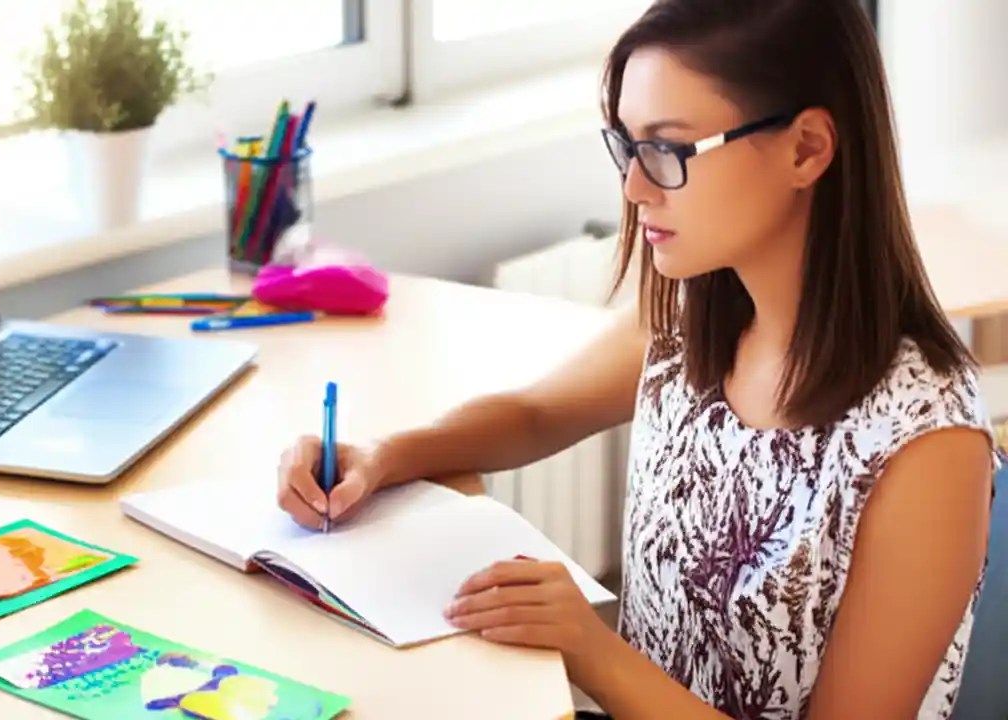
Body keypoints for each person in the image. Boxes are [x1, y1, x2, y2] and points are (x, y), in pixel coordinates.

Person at [276, 0, 999, 717]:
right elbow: (534, 415)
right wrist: (385, 456)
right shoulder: (690, 323)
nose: (634, 187)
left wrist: (590, 647)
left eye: (668, 150)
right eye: (627, 146)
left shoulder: (929, 443)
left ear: (806, 148)